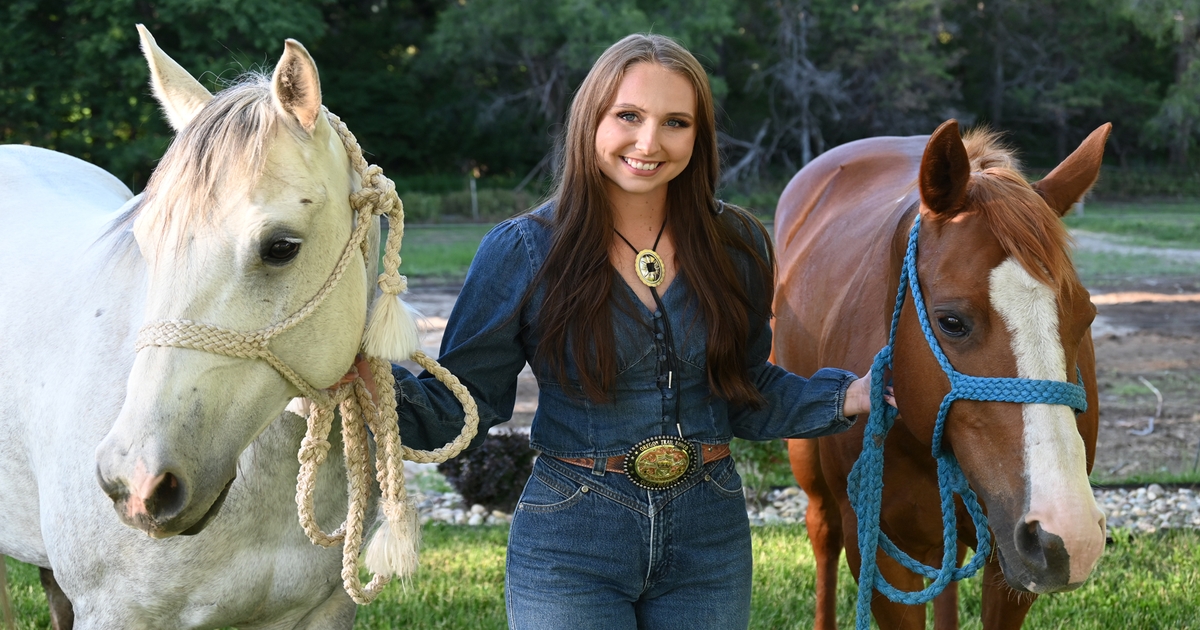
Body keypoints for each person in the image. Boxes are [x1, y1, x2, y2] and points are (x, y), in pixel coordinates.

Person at [384, 33, 887, 629]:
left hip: (711, 534)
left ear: (697, 136)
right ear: (590, 120)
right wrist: (359, 379)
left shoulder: (736, 245)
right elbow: (465, 403)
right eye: (628, 115)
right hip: (572, 531)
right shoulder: (522, 250)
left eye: (675, 122)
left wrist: (848, 396)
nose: (649, 142)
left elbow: (745, 391)